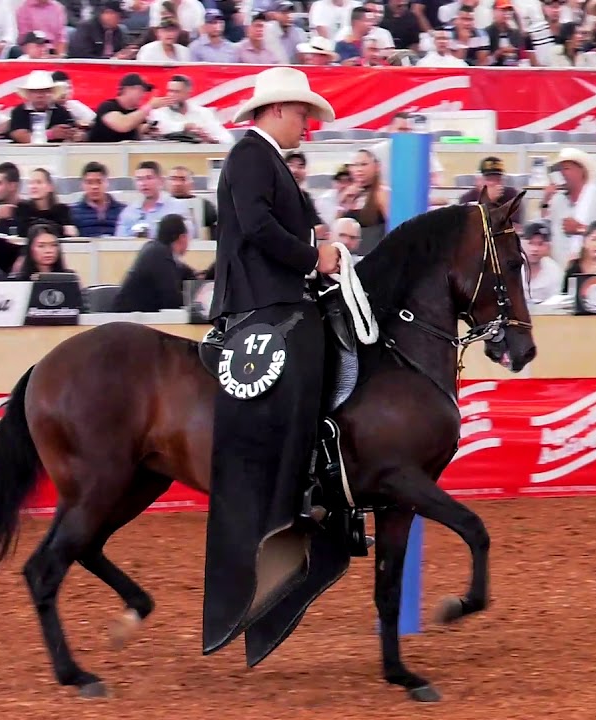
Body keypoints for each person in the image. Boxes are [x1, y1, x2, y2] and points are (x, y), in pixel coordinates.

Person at [202, 66, 342, 663]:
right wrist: (315, 256)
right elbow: (259, 229)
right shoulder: (251, 157)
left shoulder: (268, 161)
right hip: (262, 301)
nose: (308, 123)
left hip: (279, 293)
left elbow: (284, 225)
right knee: (310, 350)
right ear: (277, 110)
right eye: (302, 112)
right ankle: (297, 490)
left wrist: (324, 243)